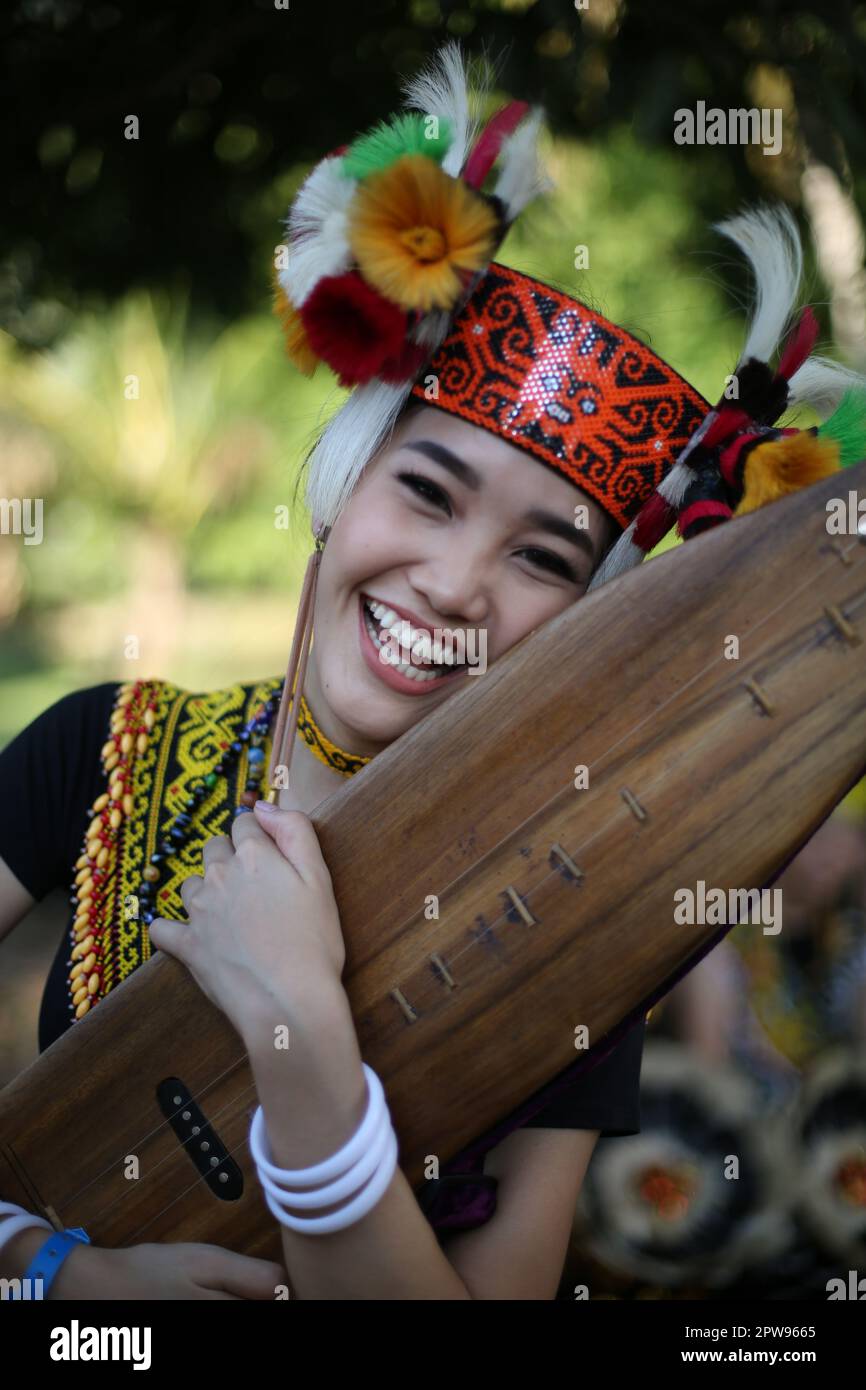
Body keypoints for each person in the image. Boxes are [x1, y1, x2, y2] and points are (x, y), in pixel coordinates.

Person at [1, 40, 864, 1301]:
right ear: (343, 491)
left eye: (540, 559)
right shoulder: (101, 754)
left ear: (584, 626)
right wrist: (47, 1273)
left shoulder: (576, 927)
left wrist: (295, 1025)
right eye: (426, 491)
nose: (457, 584)